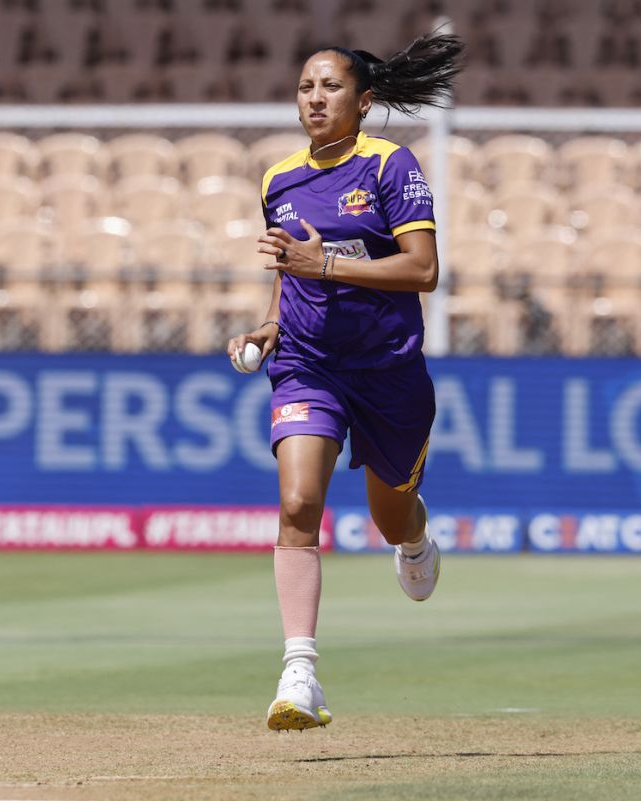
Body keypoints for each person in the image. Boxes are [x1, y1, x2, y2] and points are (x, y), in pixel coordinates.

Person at [226, 32, 464, 732]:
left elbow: (422, 271)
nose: (314, 98)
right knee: (299, 502)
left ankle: (413, 537)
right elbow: (287, 269)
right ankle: (300, 671)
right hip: (308, 362)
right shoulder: (277, 179)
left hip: (388, 368)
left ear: (363, 102)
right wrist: (271, 323)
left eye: (330, 87)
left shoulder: (391, 166)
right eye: (305, 87)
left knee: (390, 513)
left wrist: (324, 264)